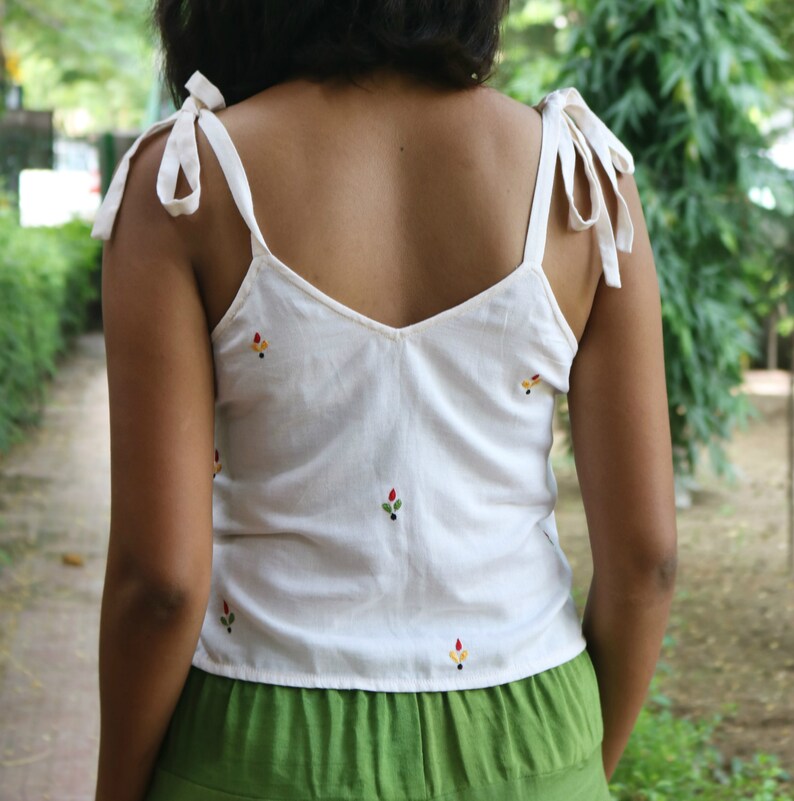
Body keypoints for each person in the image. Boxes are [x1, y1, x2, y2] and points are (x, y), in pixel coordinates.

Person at [91, 1, 677, 799]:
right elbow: (647, 561)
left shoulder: (185, 183)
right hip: (531, 733)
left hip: (258, 745)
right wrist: (567, 761)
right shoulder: (582, 181)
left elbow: (160, 580)